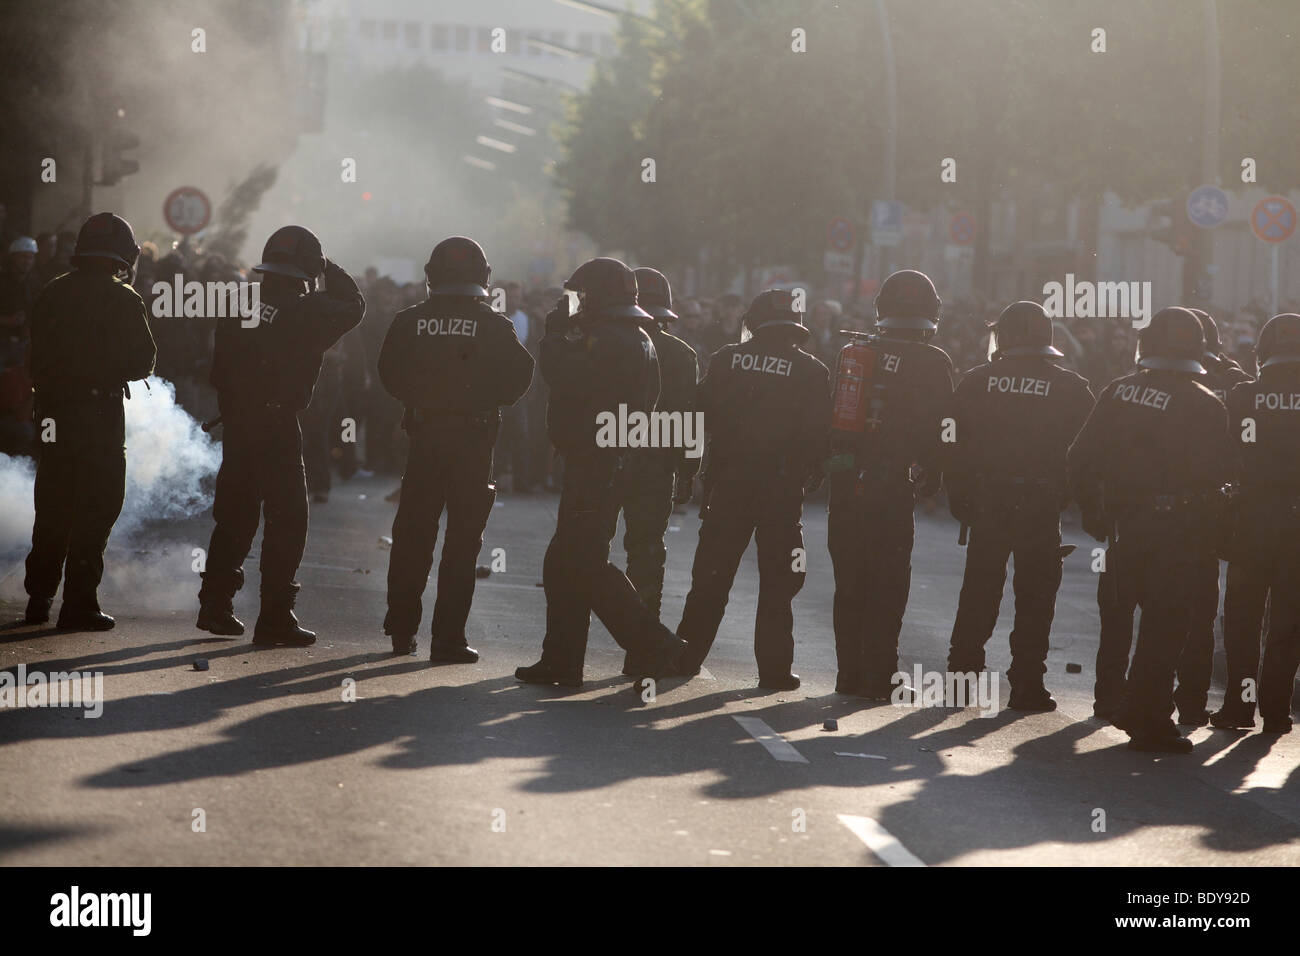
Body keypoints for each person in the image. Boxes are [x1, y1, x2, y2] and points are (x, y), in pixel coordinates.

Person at [516, 257, 687, 688]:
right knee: (566, 562)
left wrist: (554, 334)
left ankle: (655, 643)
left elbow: (564, 376)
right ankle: (563, 659)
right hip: (605, 458)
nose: (572, 303)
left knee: (582, 561)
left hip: (598, 462)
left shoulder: (611, 338)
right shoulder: (631, 336)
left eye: (578, 296)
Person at [1069, 307, 1232, 752]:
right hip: (1178, 531)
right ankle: (1149, 716)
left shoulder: (1118, 391)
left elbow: (1078, 458)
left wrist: (1094, 512)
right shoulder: (1205, 404)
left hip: (1124, 526)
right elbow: (1219, 477)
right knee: (1166, 625)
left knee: (1118, 614)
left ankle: (1117, 699)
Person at [196, 225, 364, 646]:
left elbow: (217, 371)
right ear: (306, 272)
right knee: (288, 520)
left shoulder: (238, 302)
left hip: (237, 422)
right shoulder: (309, 312)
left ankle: (215, 605)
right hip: (275, 425)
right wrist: (326, 265)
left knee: (235, 514)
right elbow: (354, 303)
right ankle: (274, 617)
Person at [378, 237, 534, 660]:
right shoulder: (496, 326)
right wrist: (479, 399)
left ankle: (401, 630)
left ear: (431, 277)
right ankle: (448, 640)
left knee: (412, 536)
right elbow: (520, 379)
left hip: (425, 439)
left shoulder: (408, 321)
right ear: (484, 278)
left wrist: (423, 399)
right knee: (462, 544)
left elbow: (388, 373)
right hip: (473, 444)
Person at [671, 289, 829, 689]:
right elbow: (820, 434)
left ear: (753, 322)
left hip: (728, 485)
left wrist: (687, 470)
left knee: (711, 575)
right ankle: (775, 671)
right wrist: (814, 470)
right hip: (781, 491)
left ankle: (685, 656)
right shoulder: (812, 371)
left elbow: (695, 414)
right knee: (780, 581)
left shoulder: (726, 359)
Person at [943, 301, 1095, 709]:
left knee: (978, 591)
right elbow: (1089, 452)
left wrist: (960, 498)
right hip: (1041, 506)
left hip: (988, 502)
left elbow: (951, 442)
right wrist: (1067, 497)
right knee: (1035, 599)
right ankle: (1027, 685)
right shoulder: (1072, 388)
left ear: (1003, 337)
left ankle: (960, 681)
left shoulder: (976, 382)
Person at [23, 213, 156, 629]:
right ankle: (79, 604)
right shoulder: (124, 298)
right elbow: (143, 361)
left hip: (53, 415)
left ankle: (39, 597)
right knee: (96, 507)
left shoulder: (52, 292)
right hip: (98, 418)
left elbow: (33, 354)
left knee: (53, 503)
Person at [827, 270, 954, 698]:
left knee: (850, 583)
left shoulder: (854, 355)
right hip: (894, 489)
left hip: (847, 485)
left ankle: (848, 675)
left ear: (881, 309)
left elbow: (831, 419)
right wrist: (934, 472)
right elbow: (943, 429)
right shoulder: (935, 362)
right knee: (888, 583)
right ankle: (879, 676)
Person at [1213, 313, 1300, 733]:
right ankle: (1277, 711)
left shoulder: (1242, 396)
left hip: (1252, 520)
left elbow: (1224, 455)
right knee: (1290, 620)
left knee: (1244, 618)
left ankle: (1238, 705)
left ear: (1263, 351)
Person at [1171, 308, 1254, 725]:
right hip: (1210, 514)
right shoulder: (1235, 384)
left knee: (1164, 607)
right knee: (1201, 613)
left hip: (1176, 512)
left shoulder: (1163, 378)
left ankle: (1146, 694)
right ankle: (1190, 701)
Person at [617, 267, 699, 645]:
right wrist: (688, 471)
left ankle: (568, 649)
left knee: (588, 551)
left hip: (609, 457)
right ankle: (643, 643)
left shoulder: (602, 342)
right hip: (657, 463)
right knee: (647, 551)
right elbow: (688, 416)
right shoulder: (681, 354)